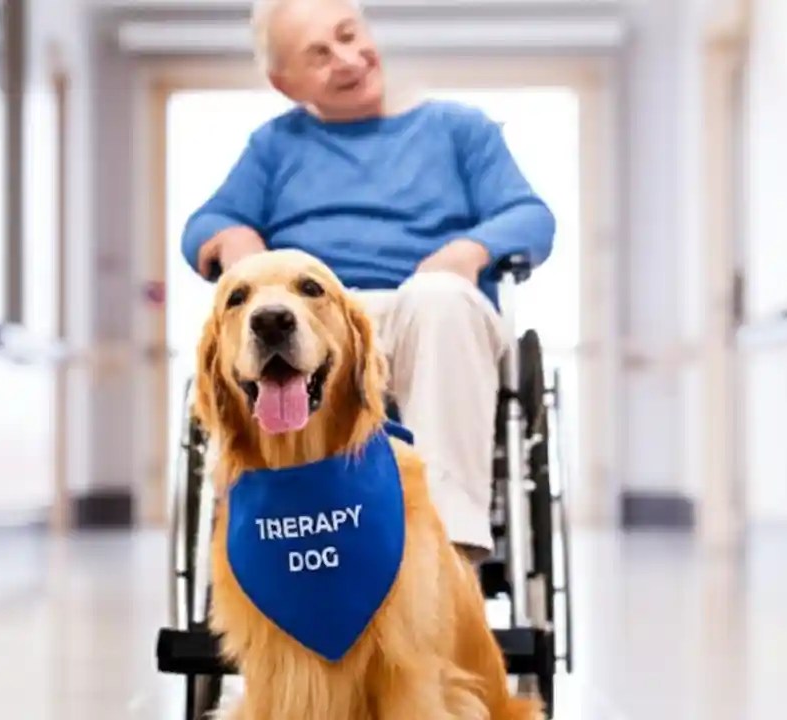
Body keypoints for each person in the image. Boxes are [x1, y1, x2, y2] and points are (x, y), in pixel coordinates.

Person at [181, 0, 555, 561]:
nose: (348, 59)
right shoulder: (274, 147)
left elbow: (530, 216)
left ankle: (447, 549)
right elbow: (204, 225)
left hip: (422, 311)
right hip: (322, 316)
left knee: (440, 299)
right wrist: (233, 239)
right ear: (286, 84)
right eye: (320, 54)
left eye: (350, 35)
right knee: (269, 315)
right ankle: (262, 538)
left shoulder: (460, 131)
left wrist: (470, 249)